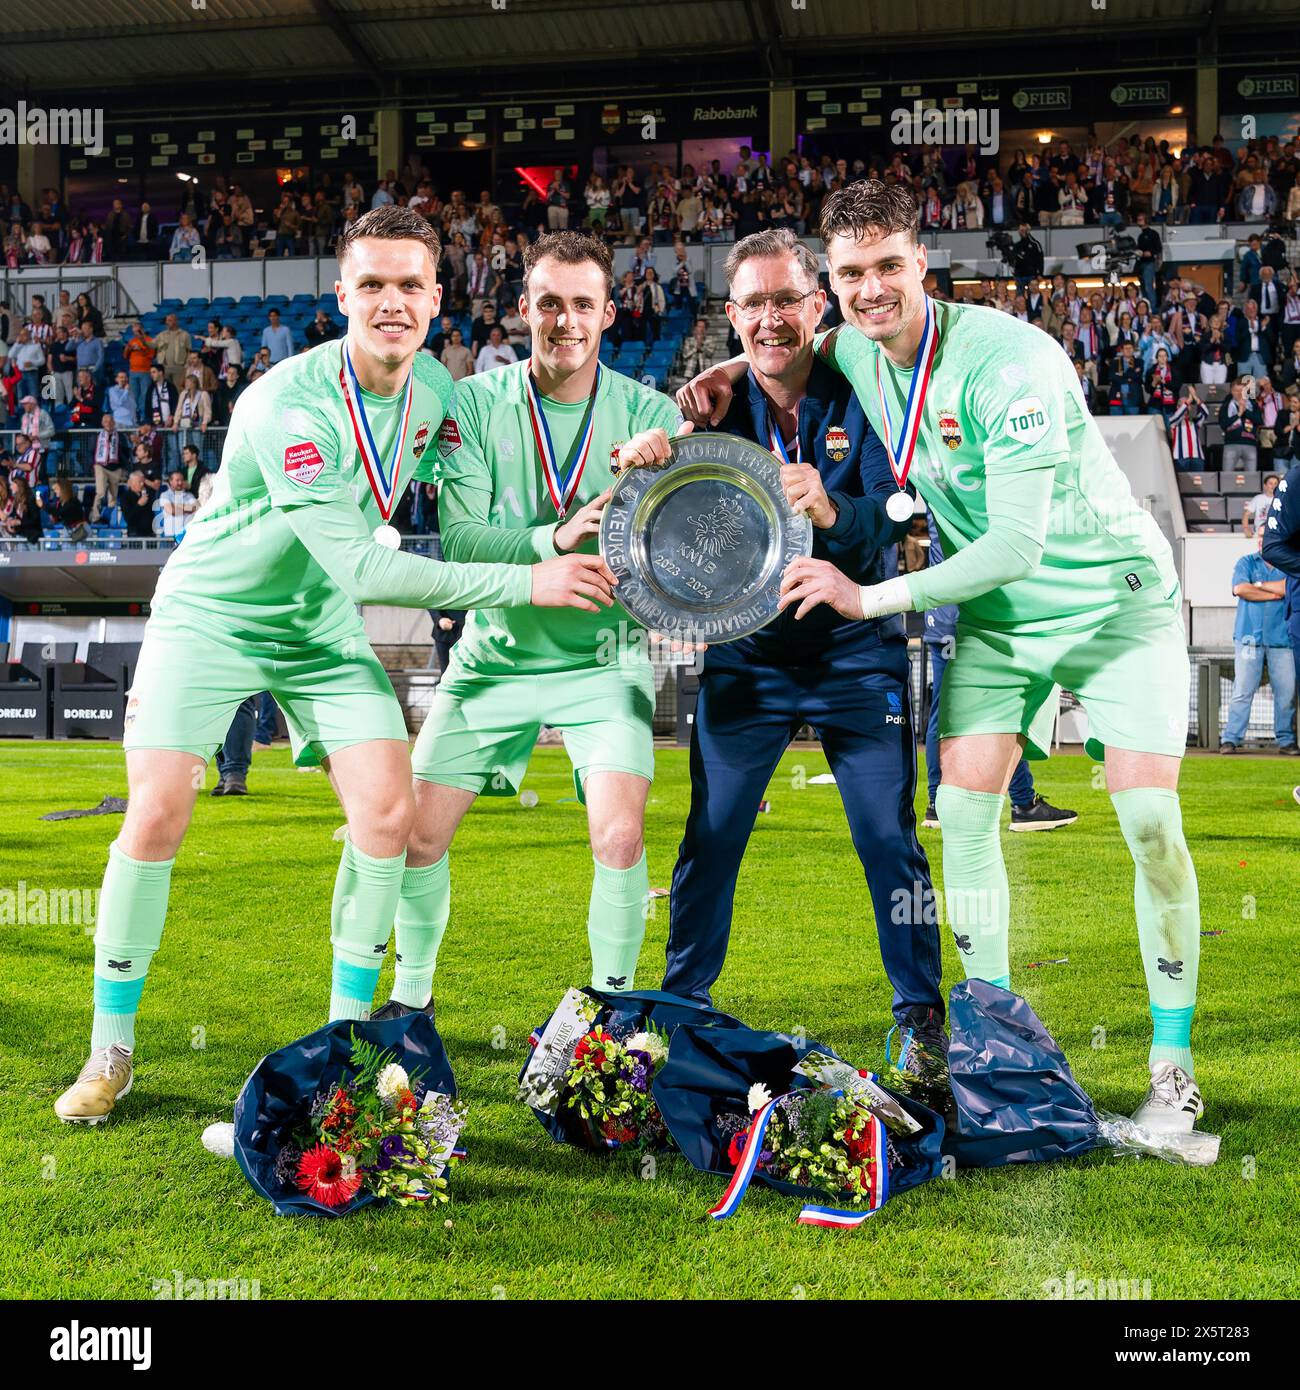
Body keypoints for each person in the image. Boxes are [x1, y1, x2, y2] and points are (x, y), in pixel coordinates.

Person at [52, 206, 619, 1125]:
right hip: (214, 615)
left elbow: (513, 440)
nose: (391, 302)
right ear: (342, 294)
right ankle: (109, 1050)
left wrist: (559, 523)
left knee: (390, 814)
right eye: (372, 285)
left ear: (437, 297)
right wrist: (531, 579)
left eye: (409, 285)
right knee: (157, 812)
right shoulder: (289, 402)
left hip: (317, 626)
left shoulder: (437, 388)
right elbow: (362, 563)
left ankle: (338, 1052)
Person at [680, 180, 1206, 1135]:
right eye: (852, 274)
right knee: (961, 817)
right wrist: (718, 377)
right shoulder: (848, 345)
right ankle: (996, 1047)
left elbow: (1017, 547)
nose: (871, 288)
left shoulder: (1013, 361)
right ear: (832, 285)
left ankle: (1171, 1061)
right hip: (1000, 622)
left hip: (1111, 607)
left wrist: (865, 593)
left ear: (925, 263)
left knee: (1150, 823)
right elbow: (776, 344)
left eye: (889, 266)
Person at [655, 228, 946, 1077]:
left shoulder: (865, 385)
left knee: (891, 844)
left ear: (818, 308)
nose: (771, 318)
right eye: (754, 303)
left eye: (788, 299)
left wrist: (834, 512)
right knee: (709, 839)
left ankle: (921, 1018)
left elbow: (900, 508)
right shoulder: (713, 406)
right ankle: (682, 1011)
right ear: (732, 314)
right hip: (749, 660)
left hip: (859, 653)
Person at [377, 231, 683, 1023]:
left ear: (609, 313)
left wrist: (668, 471)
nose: (567, 320)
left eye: (584, 303)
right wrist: (556, 538)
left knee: (618, 841)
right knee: (415, 840)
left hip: (605, 658)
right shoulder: (474, 403)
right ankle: (411, 1004)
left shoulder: (650, 414)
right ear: (524, 310)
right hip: (496, 656)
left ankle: (611, 1022)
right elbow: (465, 541)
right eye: (550, 303)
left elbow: (682, 553)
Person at [920, 511, 1078, 831]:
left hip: (948, 617)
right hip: (974, 618)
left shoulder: (943, 493)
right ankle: (1015, 802)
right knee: (1002, 711)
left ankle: (1012, 800)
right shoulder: (972, 498)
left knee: (960, 713)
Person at [1221, 531, 1297, 754]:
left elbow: (1286, 588)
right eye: (1261, 536)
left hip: (1282, 639)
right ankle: (1230, 739)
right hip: (1248, 638)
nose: (1263, 540)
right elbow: (1241, 589)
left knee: (1286, 693)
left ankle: (1286, 741)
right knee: (1242, 691)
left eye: (1268, 536)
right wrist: (1274, 592)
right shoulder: (1246, 561)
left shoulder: (1289, 562)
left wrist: (1259, 585)